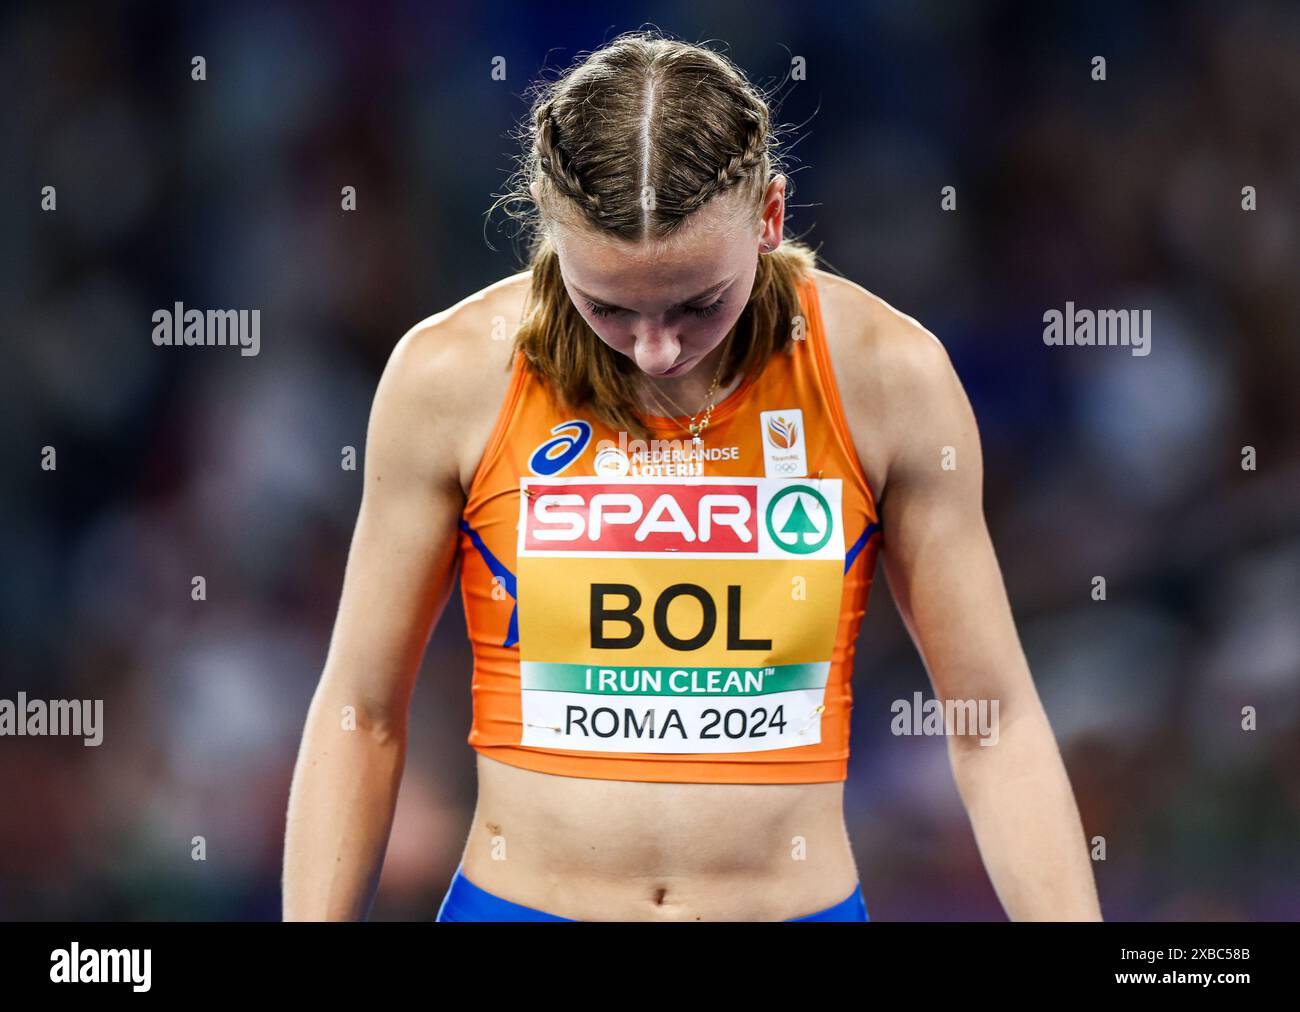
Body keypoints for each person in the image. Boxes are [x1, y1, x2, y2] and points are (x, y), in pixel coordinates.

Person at [282, 30, 1102, 922]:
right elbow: (361, 713)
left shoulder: (886, 378)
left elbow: (995, 723)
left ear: (771, 218)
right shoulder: (448, 379)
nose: (658, 349)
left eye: (698, 302)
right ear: (549, 232)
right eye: (609, 307)